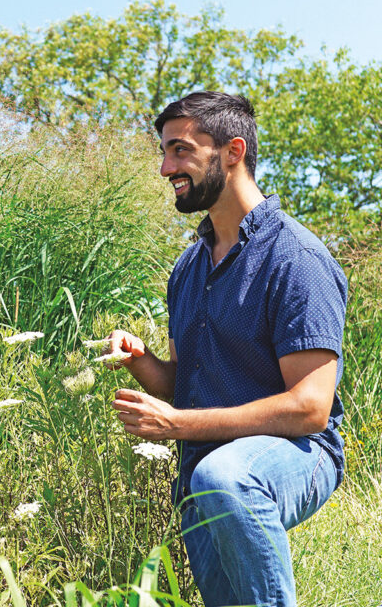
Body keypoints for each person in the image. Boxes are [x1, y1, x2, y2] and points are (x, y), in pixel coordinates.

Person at [104, 91, 346, 607]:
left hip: (298, 456)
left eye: (181, 150)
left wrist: (175, 426)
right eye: (165, 152)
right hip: (204, 474)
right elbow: (184, 388)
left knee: (223, 477)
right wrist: (143, 363)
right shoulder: (188, 270)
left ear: (233, 151)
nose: (166, 167)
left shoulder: (295, 258)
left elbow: (309, 408)